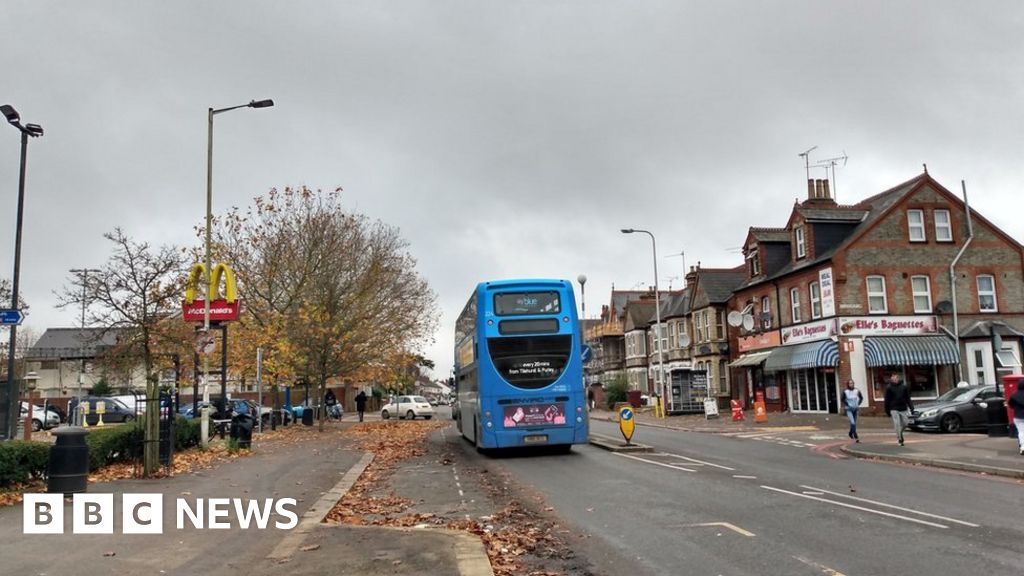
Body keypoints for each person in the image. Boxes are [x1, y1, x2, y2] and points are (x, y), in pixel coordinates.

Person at [883, 372, 914, 446]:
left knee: (906, 423)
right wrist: (887, 410)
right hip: (893, 408)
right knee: (897, 424)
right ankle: (900, 439)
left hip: (903, 407)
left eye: (896, 378)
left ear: (898, 378)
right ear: (891, 379)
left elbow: (907, 398)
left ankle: (900, 433)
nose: (895, 379)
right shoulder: (889, 388)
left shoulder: (904, 387)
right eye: (893, 378)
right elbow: (887, 400)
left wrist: (911, 407)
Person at [1008, 385, 1024, 456]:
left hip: (1018, 416)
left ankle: (1023, 447)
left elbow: (1010, 405)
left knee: (1021, 432)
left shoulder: (1014, 395)